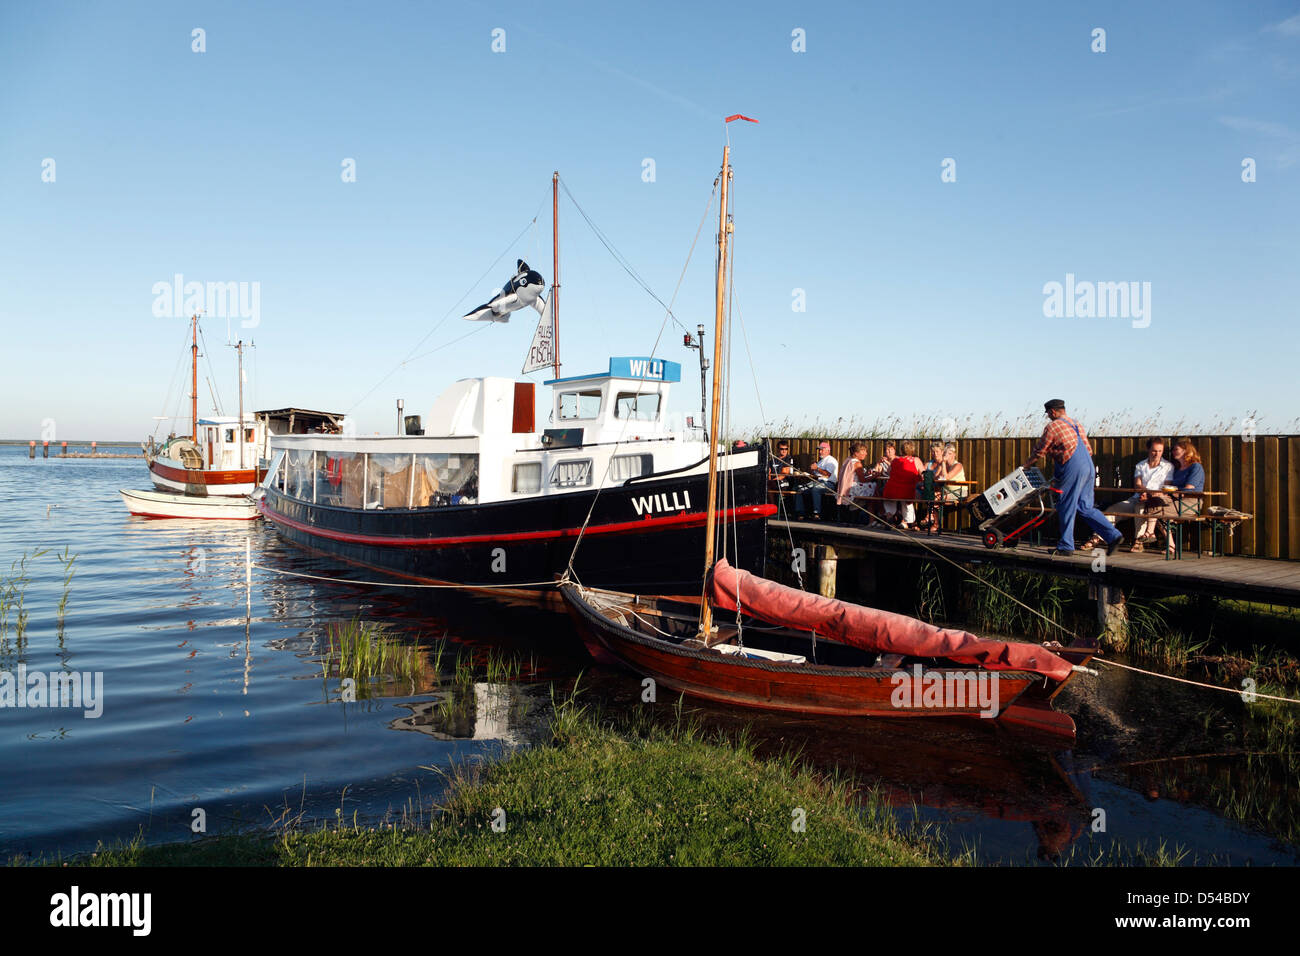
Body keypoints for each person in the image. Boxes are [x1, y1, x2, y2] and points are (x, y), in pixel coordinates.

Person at [1022, 399, 1122, 557]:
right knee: (1085, 507)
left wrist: (1026, 465)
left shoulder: (1053, 426)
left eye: (1048, 413)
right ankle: (1113, 535)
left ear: (1053, 412)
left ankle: (1066, 545)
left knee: (1065, 505)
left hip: (1073, 466)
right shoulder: (1076, 424)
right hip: (1088, 466)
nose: (1048, 416)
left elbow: (1040, 451)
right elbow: (1088, 449)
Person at [1101, 437, 1174, 552]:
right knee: (1112, 510)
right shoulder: (1141, 465)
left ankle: (1138, 542)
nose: (1157, 454)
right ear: (1148, 450)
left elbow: (1166, 488)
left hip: (1157, 500)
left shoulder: (1168, 466)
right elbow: (1137, 485)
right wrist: (1144, 492)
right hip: (1138, 497)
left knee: (1141, 508)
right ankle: (1096, 537)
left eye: (1160, 451)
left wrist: (1149, 495)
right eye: (1154, 450)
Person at [882, 440, 925, 529]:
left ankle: (890, 516)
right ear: (913, 449)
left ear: (901, 450)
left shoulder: (895, 460)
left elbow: (888, 471)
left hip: (891, 489)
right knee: (907, 502)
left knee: (891, 499)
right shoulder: (916, 460)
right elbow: (923, 474)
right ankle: (910, 522)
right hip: (907, 490)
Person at [803, 440, 838, 519]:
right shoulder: (820, 461)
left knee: (816, 489)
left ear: (828, 450)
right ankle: (801, 513)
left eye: (822, 450)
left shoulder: (831, 460)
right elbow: (816, 474)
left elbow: (827, 474)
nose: (820, 452)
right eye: (819, 450)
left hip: (828, 484)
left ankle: (817, 513)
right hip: (817, 481)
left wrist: (817, 468)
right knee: (800, 488)